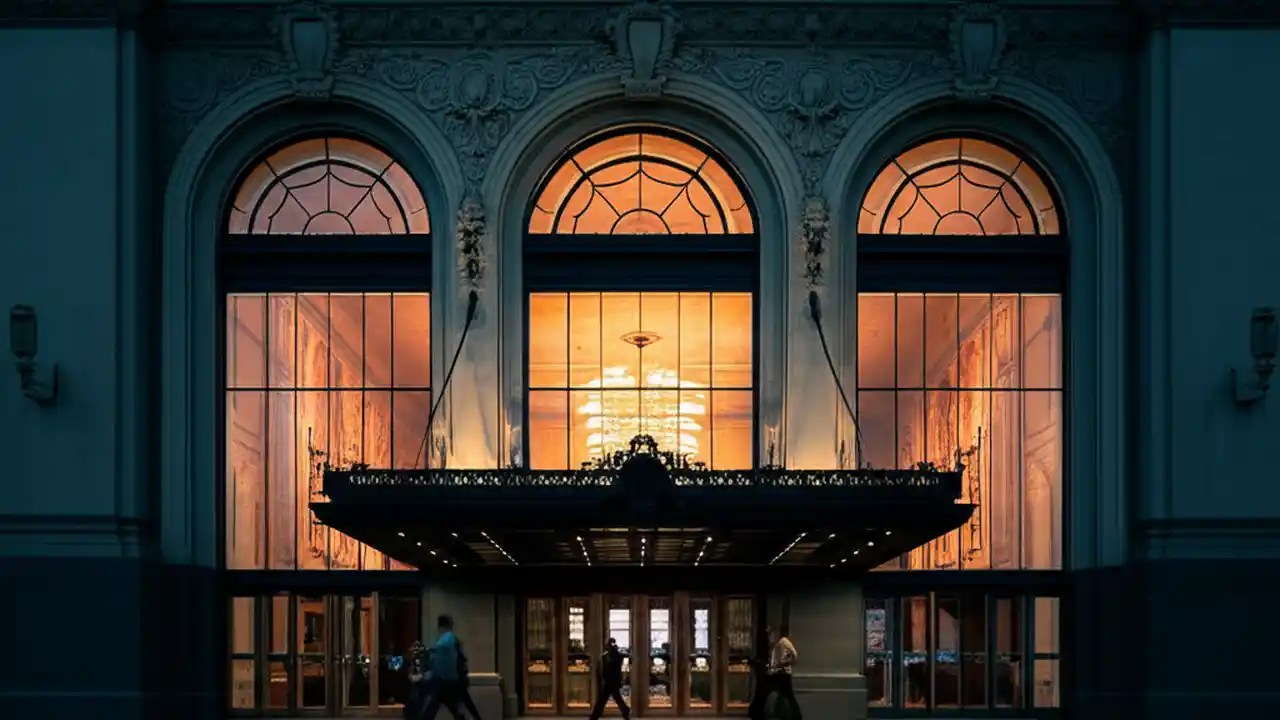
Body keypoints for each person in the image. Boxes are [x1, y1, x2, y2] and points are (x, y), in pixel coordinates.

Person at [421, 614, 477, 720]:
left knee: (432, 709)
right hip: (452, 682)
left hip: (445, 682)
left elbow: (440, 664)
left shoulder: (443, 642)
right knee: (455, 706)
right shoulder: (454, 639)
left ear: (440, 627)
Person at [588, 637, 630, 720]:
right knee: (607, 698)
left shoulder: (615, 656)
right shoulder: (609, 655)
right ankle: (624, 710)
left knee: (606, 698)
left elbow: (612, 666)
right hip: (609, 681)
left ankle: (596, 715)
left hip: (611, 681)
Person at [766, 625, 802, 720]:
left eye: (772, 634)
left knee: (785, 694)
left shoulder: (784, 642)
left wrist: (785, 663)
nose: (770, 636)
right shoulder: (776, 644)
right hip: (778, 672)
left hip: (783, 673)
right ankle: (786, 713)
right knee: (784, 694)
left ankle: (794, 715)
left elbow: (794, 655)